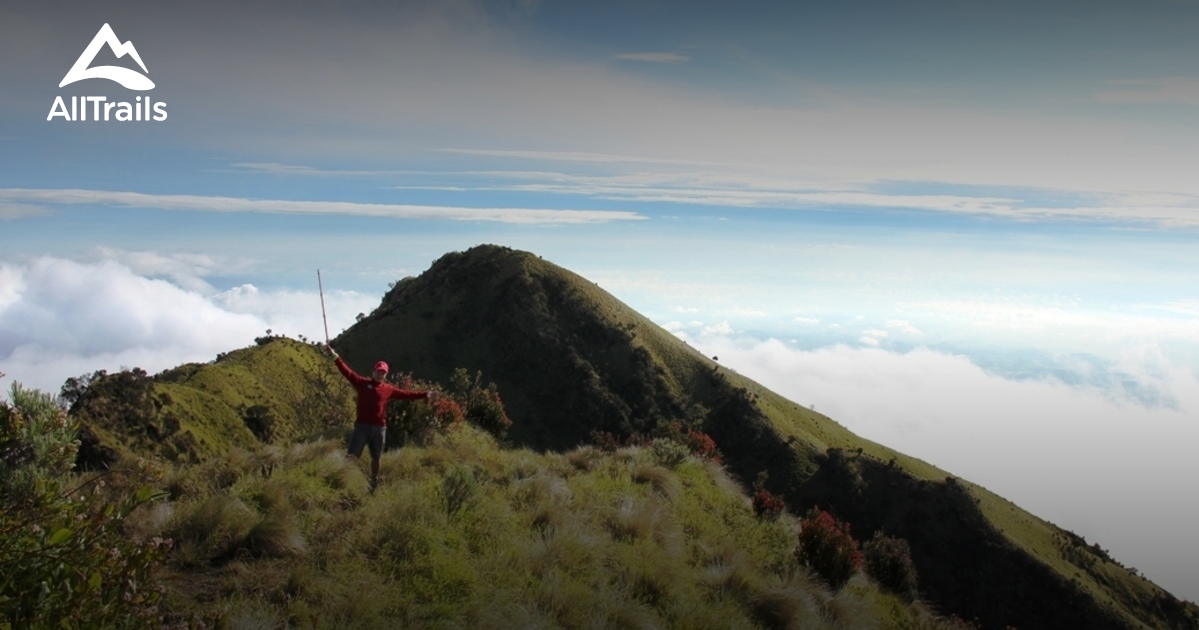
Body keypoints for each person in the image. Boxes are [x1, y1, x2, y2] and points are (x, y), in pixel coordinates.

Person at [325, 343, 431, 491]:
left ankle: (374, 481)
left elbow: (407, 394)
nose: (380, 374)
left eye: (383, 373)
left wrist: (424, 394)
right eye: (378, 371)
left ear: (385, 375)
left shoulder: (389, 390)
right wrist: (334, 355)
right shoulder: (362, 383)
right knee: (352, 455)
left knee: (376, 457)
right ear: (373, 371)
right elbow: (346, 371)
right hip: (361, 427)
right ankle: (341, 480)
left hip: (379, 429)